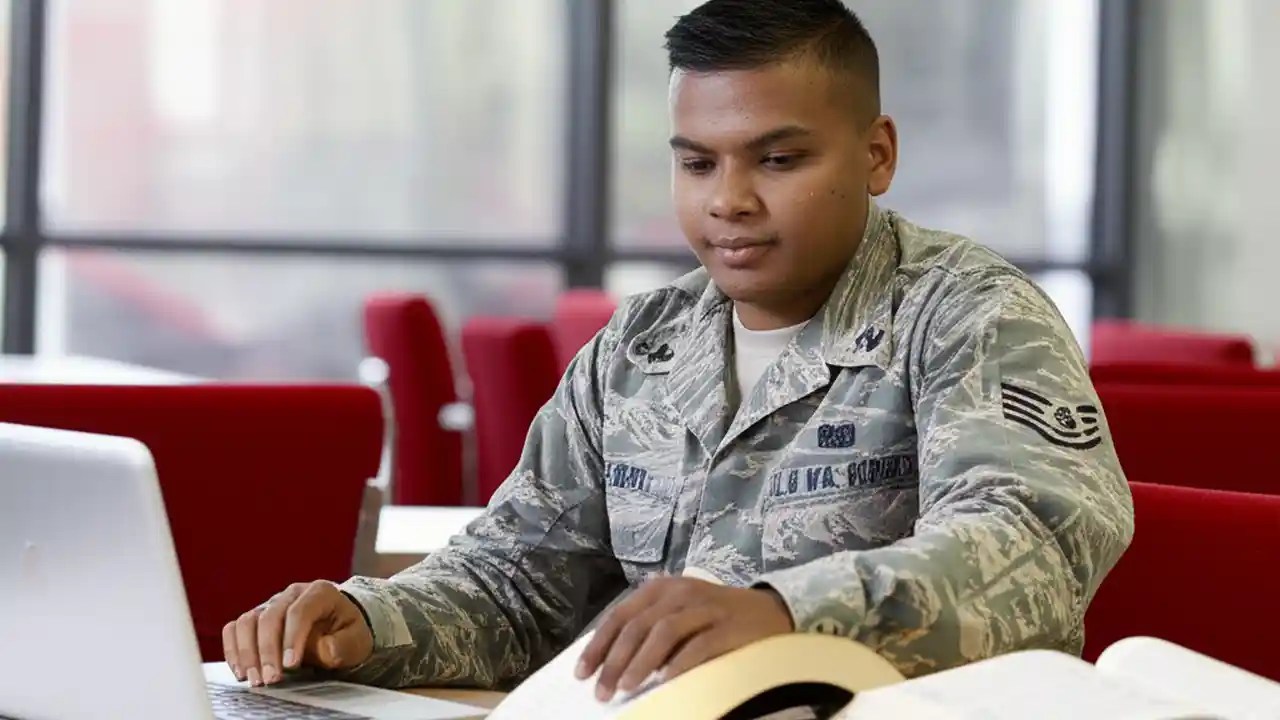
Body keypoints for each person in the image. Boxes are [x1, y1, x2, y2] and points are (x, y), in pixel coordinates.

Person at [223, 0, 1134, 703]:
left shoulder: (970, 315)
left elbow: (1029, 553)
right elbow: (519, 580)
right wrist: (365, 621)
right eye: (697, 163)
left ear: (876, 154)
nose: (727, 200)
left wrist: (782, 615)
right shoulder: (640, 345)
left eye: (777, 161)